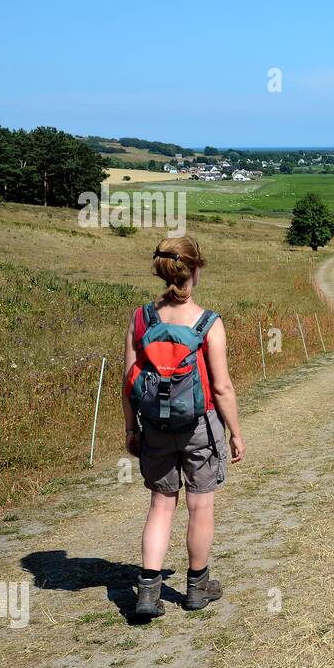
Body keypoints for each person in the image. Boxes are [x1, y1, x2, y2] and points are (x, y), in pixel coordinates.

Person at [122, 236, 245, 618]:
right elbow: (222, 387)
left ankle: (147, 592)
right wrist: (235, 432)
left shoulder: (141, 318)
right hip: (199, 424)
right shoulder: (209, 322)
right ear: (195, 270)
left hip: (154, 425)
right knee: (200, 504)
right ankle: (196, 588)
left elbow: (128, 381)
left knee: (161, 505)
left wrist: (131, 430)